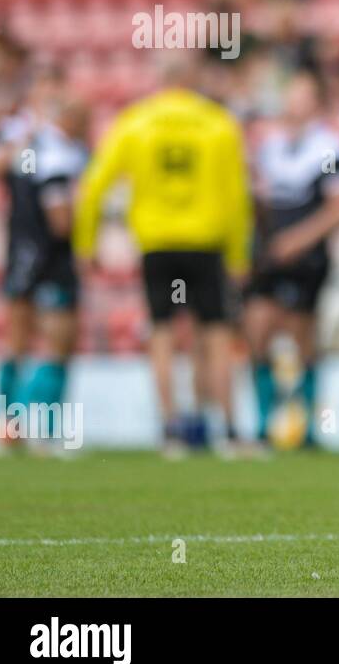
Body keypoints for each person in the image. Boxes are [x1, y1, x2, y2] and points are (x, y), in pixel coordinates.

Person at [73, 51, 254, 456]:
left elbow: (94, 185)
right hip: (206, 244)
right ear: (191, 78)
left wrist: (86, 243)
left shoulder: (135, 121)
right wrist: (240, 254)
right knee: (216, 333)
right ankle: (225, 427)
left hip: (158, 245)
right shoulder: (218, 122)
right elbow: (237, 194)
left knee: (162, 332)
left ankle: (171, 429)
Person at [244, 69, 339, 446]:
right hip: (270, 253)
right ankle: (264, 420)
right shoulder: (269, 145)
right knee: (257, 329)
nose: (294, 103)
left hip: (306, 256)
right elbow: (260, 201)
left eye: (303, 95)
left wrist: (299, 239)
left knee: (301, 336)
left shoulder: (330, 147)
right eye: (291, 94)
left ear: (318, 103)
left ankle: (307, 426)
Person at [0, 72, 88, 452]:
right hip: (29, 244)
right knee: (19, 337)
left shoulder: (69, 143)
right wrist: (25, 144)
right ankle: (7, 430)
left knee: (57, 337)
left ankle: (42, 430)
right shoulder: (21, 132)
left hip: (51, 248)